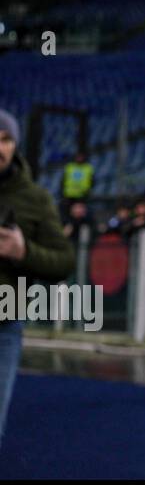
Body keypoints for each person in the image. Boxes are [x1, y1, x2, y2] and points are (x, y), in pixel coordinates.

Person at [0, 108, 76, 449]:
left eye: (6, 139)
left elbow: (64, 262)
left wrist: (23, 252)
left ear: (16, 145)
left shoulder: (35, 198)